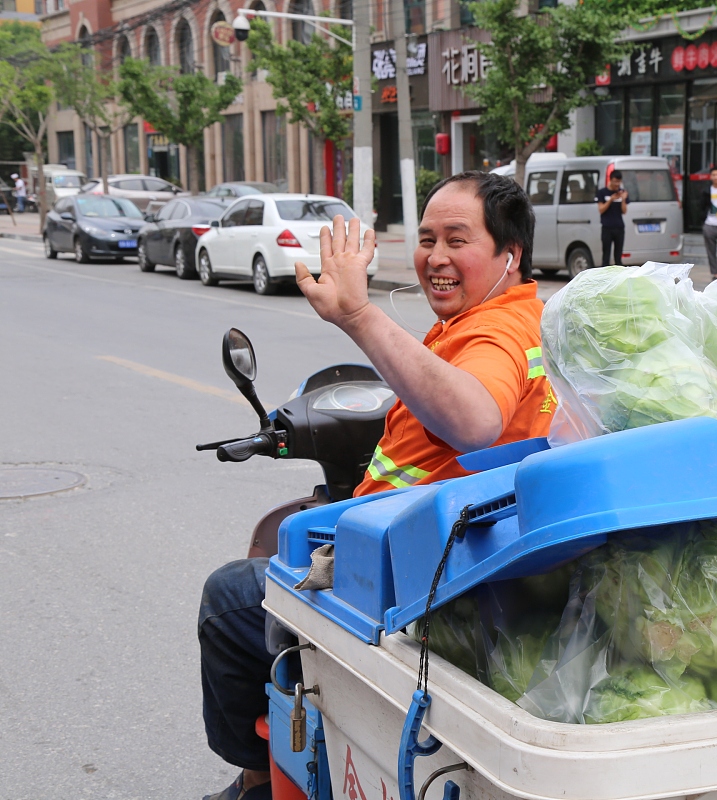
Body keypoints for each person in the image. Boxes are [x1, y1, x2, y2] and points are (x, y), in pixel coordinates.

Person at [198, 172, 557, 800]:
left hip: (409, 578)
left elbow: (475, 418)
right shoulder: (526, 316)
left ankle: (257, 783)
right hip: (452, 553)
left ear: (511, 253)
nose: (436, 257)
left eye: (457, 240)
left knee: (230, 597)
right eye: (427, 239)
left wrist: (358, 315)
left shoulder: (494, 332)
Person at [595, 170, 628, 266]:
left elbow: (624, 211)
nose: (617, 184)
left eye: (619, 182)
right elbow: (601, 209)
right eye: (615, 181)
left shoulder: (622, 192)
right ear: (610, 180)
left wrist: (623, 199)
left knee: (618, 257)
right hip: (607, 228)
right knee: (606, 256)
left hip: (619, 227)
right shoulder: (602, 192)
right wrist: (611, 200)